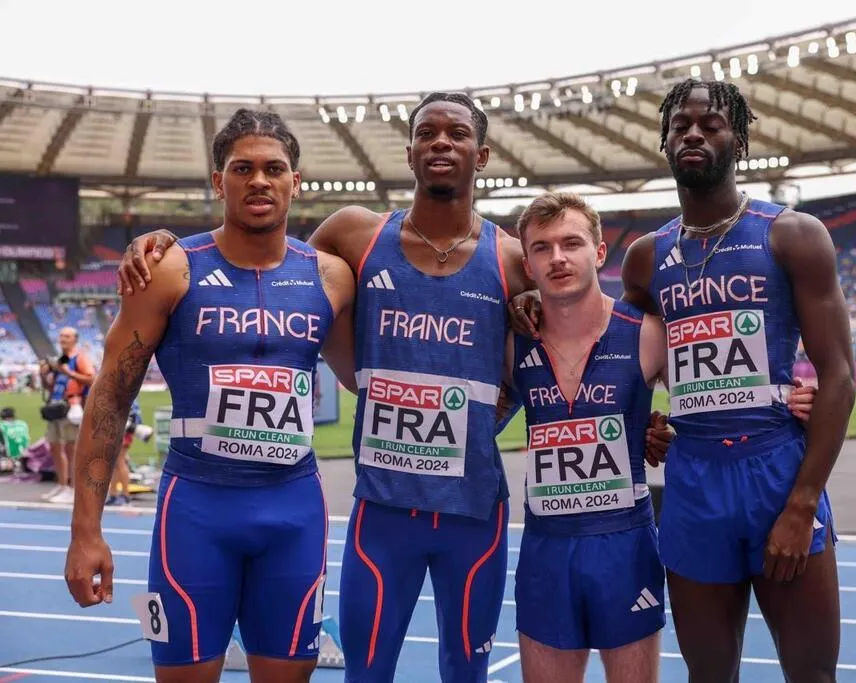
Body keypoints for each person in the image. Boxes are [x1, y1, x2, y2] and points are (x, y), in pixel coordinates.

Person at [113, 92, 677, 683]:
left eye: (457, 134)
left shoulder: (515, 260)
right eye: (427, 133)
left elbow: (573, 344)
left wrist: (632, 419)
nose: (441, 143)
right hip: (380, 514)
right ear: (407, 152)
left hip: (473, 513)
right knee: (367, 672)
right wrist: (163, 241)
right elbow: (267, 253)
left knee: (466, 673)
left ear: (481, 155)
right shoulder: (351, 235)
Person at [64, 109, 357, 683]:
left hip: (293, 511)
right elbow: (109, 396)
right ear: (218, 181)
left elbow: (373, 372)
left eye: (274, 168)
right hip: (195, 511)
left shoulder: (330, 277)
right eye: (241, 168)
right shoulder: (168, 270)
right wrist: (85, 532)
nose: (259, 181)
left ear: (296, 182)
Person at [507, 191, 817, 683]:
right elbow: (480, 413)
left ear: (600, 252)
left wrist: (790, 399)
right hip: (545, 549)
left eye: (571, 243)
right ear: (528, 262)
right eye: (542, 248)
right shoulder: (511, 339)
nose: (558, 258)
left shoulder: (652, 333)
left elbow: (716, 397)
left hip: (625, 546)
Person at [622, 79, 854, 683]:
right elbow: (632, 353)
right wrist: (649, 417)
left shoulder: (792, 235)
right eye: (680, 126)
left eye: (711, 124)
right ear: (665, 142)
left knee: (811, 674)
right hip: (694, 479)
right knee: (709, 675)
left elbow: (839, 377)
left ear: (739, 140)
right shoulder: (646, 258)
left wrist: (801, 505)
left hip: (776, 471)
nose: (693, 133)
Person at [39, 326, 95, 504]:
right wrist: (43, 375)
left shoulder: (79, 358)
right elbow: (52, 387)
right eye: (61, 336)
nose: (63, 339)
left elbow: (91, 379)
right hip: (55, 406)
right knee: (55, 448)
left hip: (71, 407)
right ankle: (62, 485)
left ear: (75, 339)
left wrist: (68, 372)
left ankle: (72, 488)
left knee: (72, 450)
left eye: (67, 336)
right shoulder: (60, 359)